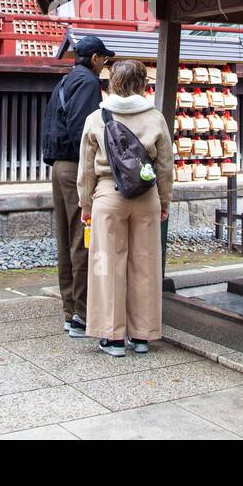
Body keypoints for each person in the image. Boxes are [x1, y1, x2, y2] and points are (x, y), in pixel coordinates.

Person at [78, 58, 173, 357]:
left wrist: (86, 204)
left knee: (107, 264)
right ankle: (142, 336)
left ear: (112, 82)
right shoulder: (155, 117)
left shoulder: (97, 117)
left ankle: (113, 337)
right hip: (146, 197)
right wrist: (164, 200)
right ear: (143, 82)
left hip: (108, 196)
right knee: (145, 265)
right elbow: (165, 166)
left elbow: (86, 170)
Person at [41, 35, 112, 338]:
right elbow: (85, 132)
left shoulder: (66, 81)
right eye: (104, 59)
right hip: (75, 166)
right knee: (82, 238)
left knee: (66, 239)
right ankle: (82, 313)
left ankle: (70, 310)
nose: (106, 65)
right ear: (95, 58)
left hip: (59, 166)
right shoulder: (87, 83)